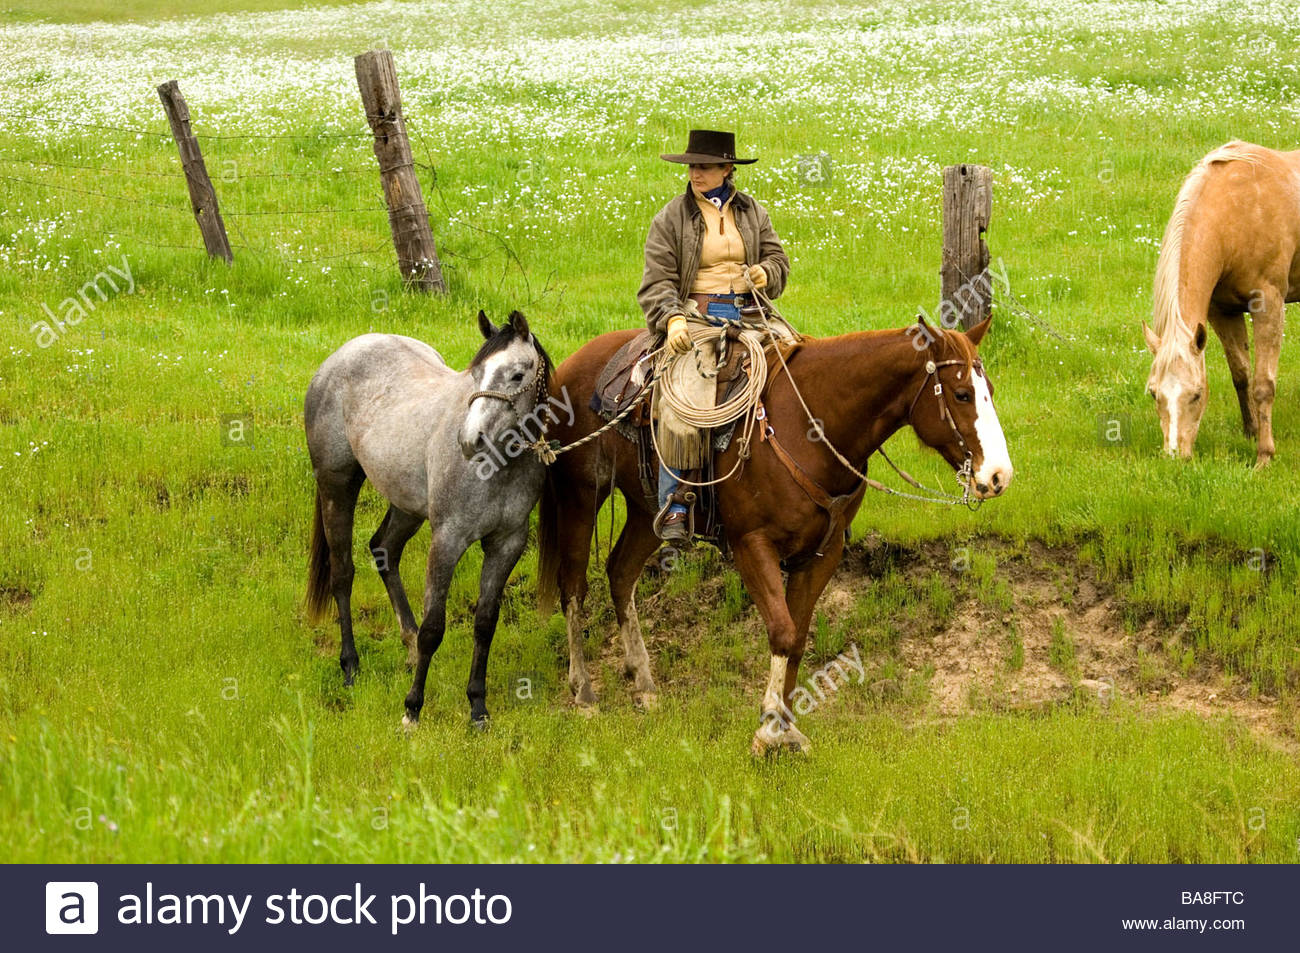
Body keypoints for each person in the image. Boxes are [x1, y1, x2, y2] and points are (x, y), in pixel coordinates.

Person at [637, 129, 792, 541]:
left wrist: (766, 272)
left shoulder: (752, 212)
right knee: (684, 396)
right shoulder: (671, 218)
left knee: (802, 372)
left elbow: (778, 258)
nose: (695, 174)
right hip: (696, 318)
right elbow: (657, 282)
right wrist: (672, 320)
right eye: (691, 166)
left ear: (727, 169)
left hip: (750, 315)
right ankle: (676, 502)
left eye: (704, 166)